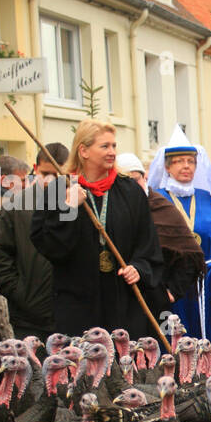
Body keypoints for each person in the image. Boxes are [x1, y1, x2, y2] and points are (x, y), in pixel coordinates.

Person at [30, 118, 163, 339]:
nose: (112, 151)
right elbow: (49, 245)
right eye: (104, 146)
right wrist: (68, 208)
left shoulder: (129, 191)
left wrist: (138, 267)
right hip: (79, 303)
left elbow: (147, 242)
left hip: (124, 302)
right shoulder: (59, 189)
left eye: (113, 146)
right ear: (83, 150)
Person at [146, 126, 211, 357]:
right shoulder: (156, 199)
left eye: (190, 161)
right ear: (167, 167)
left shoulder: (207, 197)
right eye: (179, 161)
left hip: (204, 283)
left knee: (207, 334)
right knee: (173, 333)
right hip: (172, 285)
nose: (186, 166)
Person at [0, 142, 69, 340]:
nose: (51, 180)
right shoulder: (17, 206)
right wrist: (20, 294)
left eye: (58, 174)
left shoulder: (79, 204)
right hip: (30, 319)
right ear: (35, 168)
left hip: (71, 314)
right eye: (45, 173)